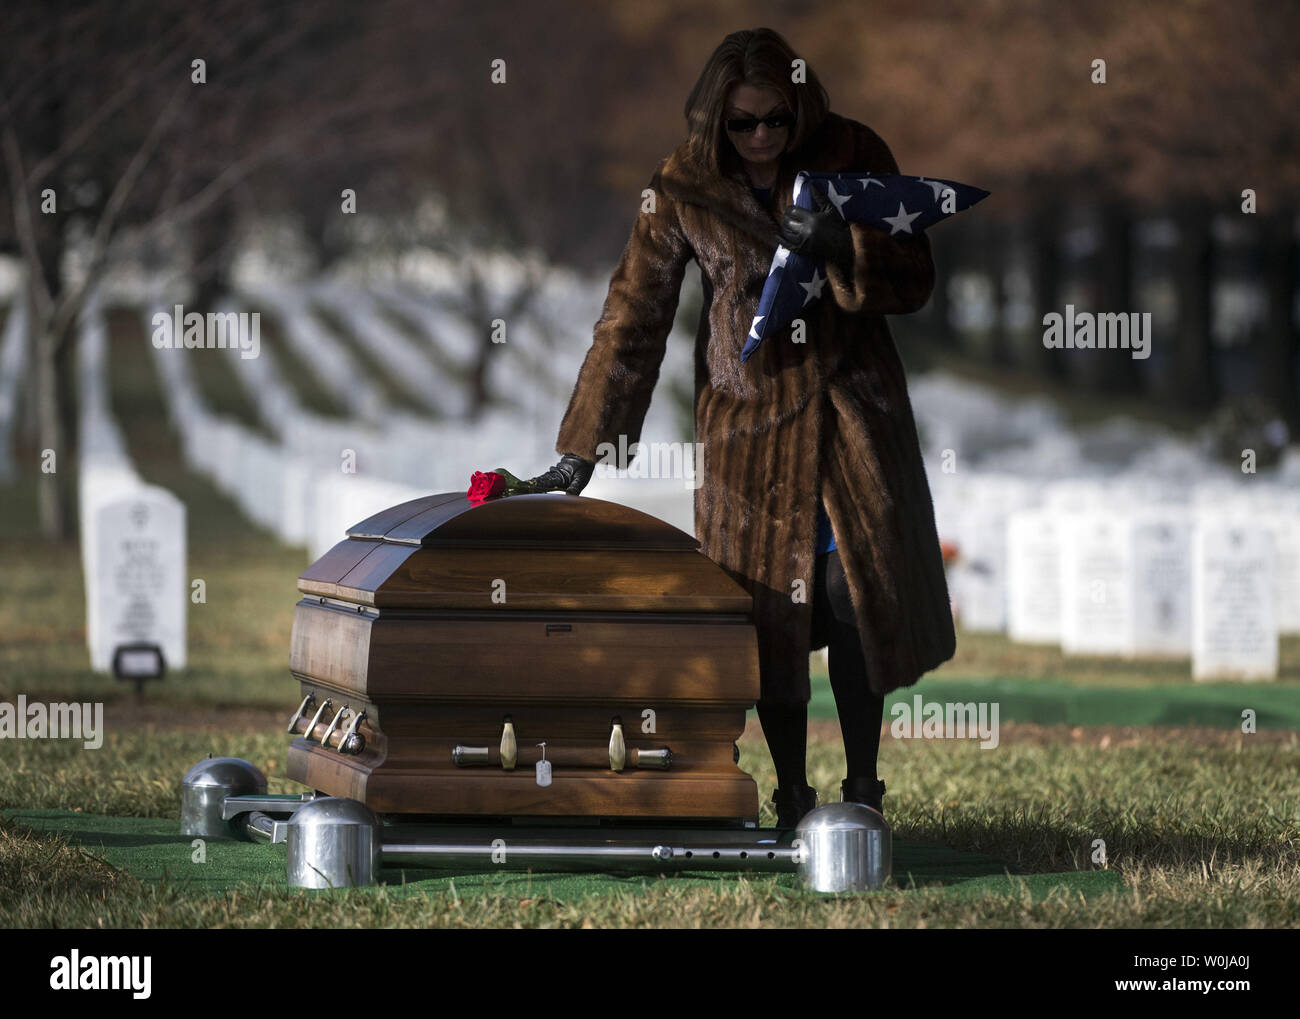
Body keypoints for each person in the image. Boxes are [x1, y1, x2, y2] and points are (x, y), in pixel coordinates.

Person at [529, 27, 956, 828]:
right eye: (743, 124)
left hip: (852, 414)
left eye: (776, 121)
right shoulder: (684, 184)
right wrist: (583, 447)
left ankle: (863, 790)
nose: (761, 139)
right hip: (748, 432)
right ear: (714, 121)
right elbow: (633, 314)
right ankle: (791, 793)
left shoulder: (853, 152)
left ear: (801, 109)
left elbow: (916, 276)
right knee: (768, 615)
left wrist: (845, 248)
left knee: (854, 590)